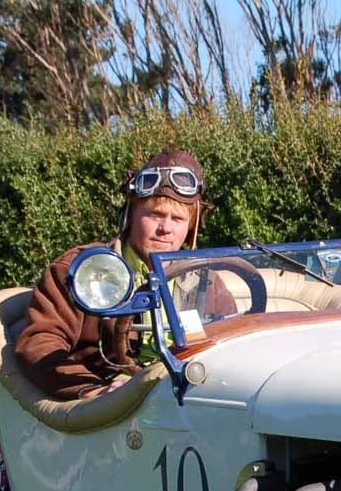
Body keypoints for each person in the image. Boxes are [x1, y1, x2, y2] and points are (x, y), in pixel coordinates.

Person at [14, 148, 235, 399]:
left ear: (191, 227)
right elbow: (39, 342)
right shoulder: (81, 269)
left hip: (188, 393)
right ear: (131, 214)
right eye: (155, 214)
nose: (165, 228)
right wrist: (94, 390)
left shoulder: (206, 280)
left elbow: (234, 343)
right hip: (113, 406)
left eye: (178, 219)